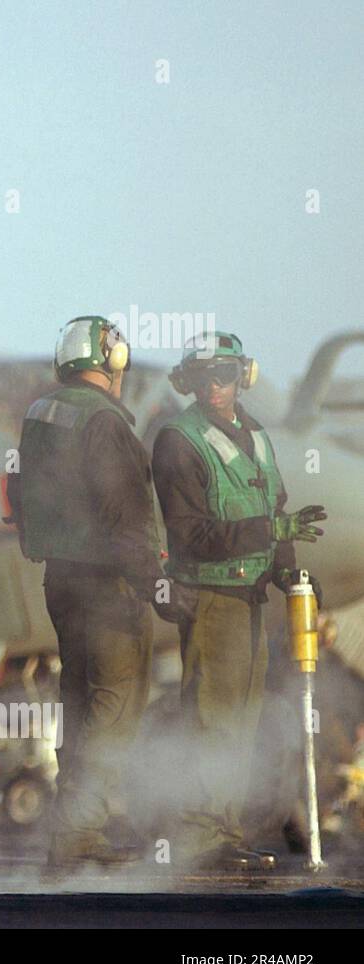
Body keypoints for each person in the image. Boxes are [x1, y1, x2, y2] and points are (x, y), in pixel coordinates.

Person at [7, 316, 182, 867]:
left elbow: (21, 489)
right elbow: (124, 514)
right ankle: (78, 832)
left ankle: (77, 828)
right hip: (109, 585)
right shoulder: (105, 421)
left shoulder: (42, 411)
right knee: (116, 704)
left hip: (61, 578)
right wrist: (156, 586)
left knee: (79, 699)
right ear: (109, 360)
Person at [154, 332, 326, 872]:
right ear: (189, 380)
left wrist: (286, 568)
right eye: (204, 375)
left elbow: (271, 504)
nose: (215, 385)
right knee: (212, 720)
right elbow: (189, 536)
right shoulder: (178, 440)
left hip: (248, 596)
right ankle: (200, 839)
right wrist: (270, 530)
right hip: (211, 598)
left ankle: (222, 833)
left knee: (240, 722)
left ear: (241, 376)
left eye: (225, 374)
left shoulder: (254, 434)